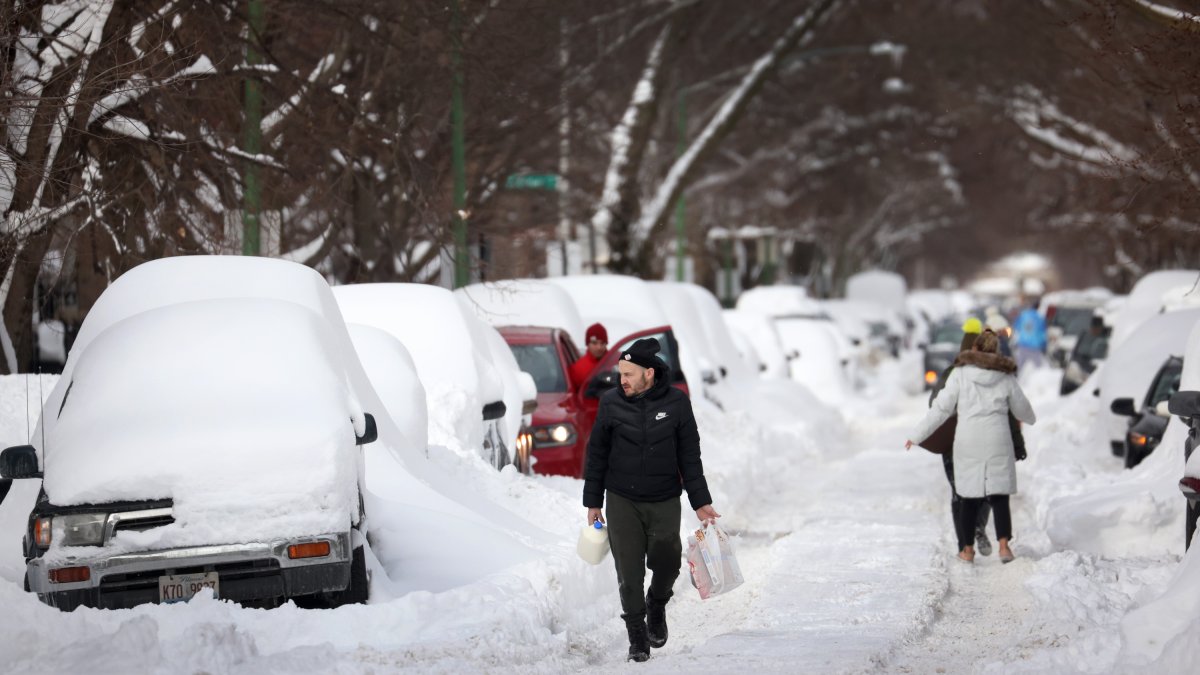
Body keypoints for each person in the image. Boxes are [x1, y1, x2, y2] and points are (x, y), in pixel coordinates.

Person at [582, 337, 719, 662]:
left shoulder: (676, 402)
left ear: (649, 373)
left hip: (663, 498)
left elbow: (689, 455)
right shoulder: (611, 403)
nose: (622, 380)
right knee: (628, 573)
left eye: (629, 374)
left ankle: (657, 604)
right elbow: (597, 452)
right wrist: (593, 502)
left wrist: (700, 501)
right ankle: (636, 636)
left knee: (668, 561)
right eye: (620, 374)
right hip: (621, 499)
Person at [906, 330, 1036, 564]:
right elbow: (1022, 410)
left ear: (974, 349)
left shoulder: (959, 375)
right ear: (995, 351)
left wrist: (916, 435)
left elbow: (940, 409)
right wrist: (1031, 417)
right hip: (998, 440)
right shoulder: (1005, 377)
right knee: (999, 496)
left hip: (968, 441)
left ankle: (967, 550)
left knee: (968, 496)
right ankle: (1005, 547)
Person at [928, 317, 993, 557]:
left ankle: (964, 547)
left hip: (953, 444)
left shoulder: (949, 374)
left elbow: (933, 404)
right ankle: (977, 526)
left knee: (959, 493)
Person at [569, 322, 608, 388]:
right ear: (588, 344)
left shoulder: (616, 362)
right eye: (594, 343)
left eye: (602, 343)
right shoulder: (578, 369)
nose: (599, 347)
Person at [1013, 299, 1047, 370]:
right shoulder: (1039, 318)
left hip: (1023, 344)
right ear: (1038, 307)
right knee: (1039, 367)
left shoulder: (1023, 315)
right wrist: (1044, 345)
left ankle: (1016, 379)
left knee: (1019, 367)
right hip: (1035, 346)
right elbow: (1043, 334)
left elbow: (1016, 327)